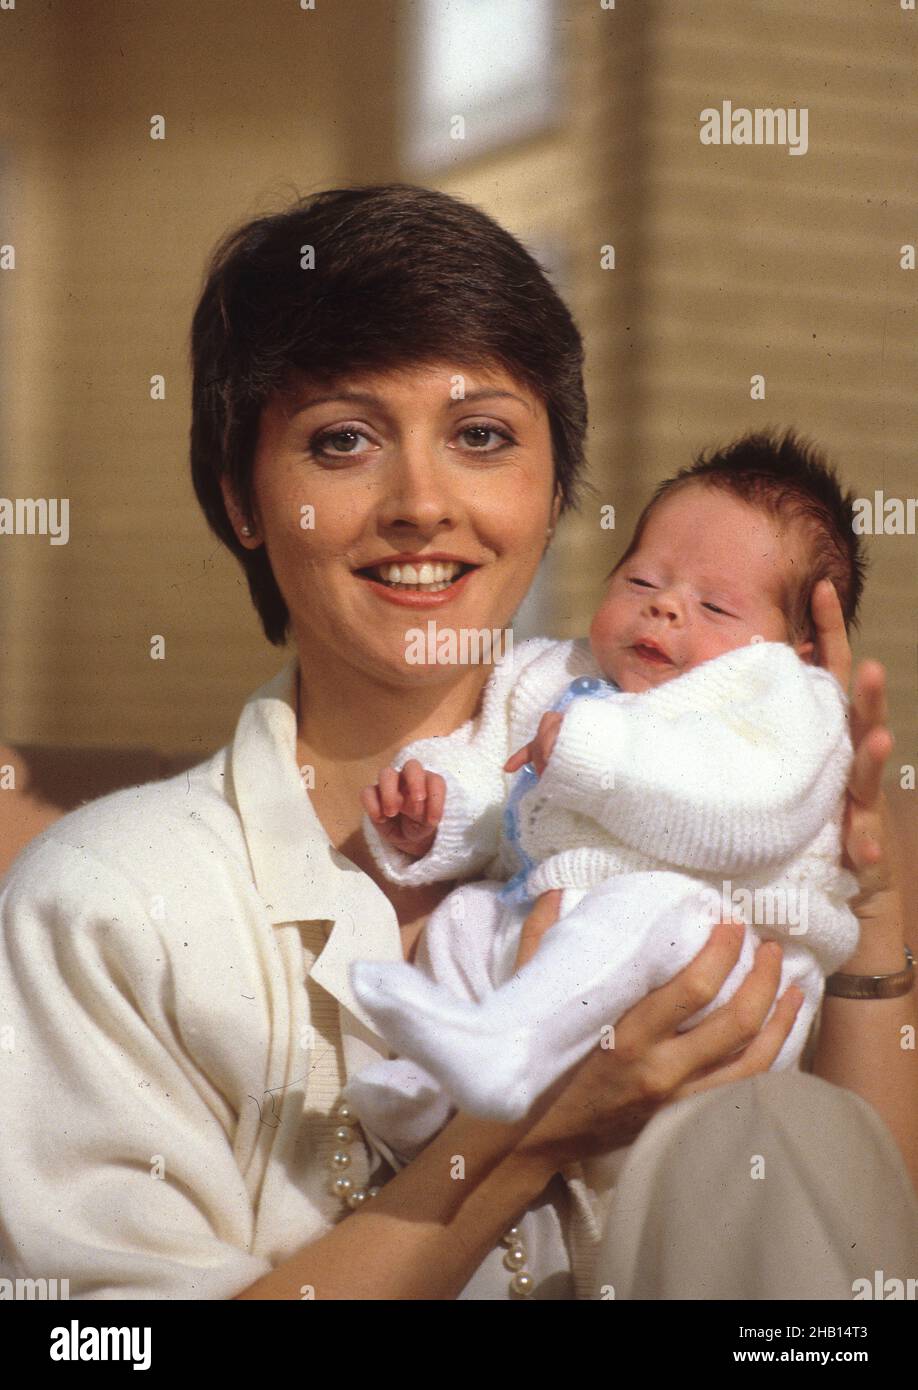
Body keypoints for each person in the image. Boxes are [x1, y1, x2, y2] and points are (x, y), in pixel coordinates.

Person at [0, 185, 914, 1302]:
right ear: (244, 496)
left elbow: (857, 1285)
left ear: (554, 484)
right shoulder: (111, 903)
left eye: (481, 436)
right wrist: (515, 1140)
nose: (423, 502)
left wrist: (865, 908)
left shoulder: (721, 799)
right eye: (343, 441)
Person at [346, 434, 865, 1139]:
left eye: (716, 607)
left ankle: (502, 1046)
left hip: (721, 965)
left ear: (793, 647)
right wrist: (437, 813)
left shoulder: (785, 702)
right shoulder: (548, 674)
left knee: (660, 904)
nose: (666, 609)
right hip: (555, 943)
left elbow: (750, 808)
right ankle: (436, 1084)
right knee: (465, 918)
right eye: (643, 582)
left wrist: (593, 750)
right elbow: (492, 772)